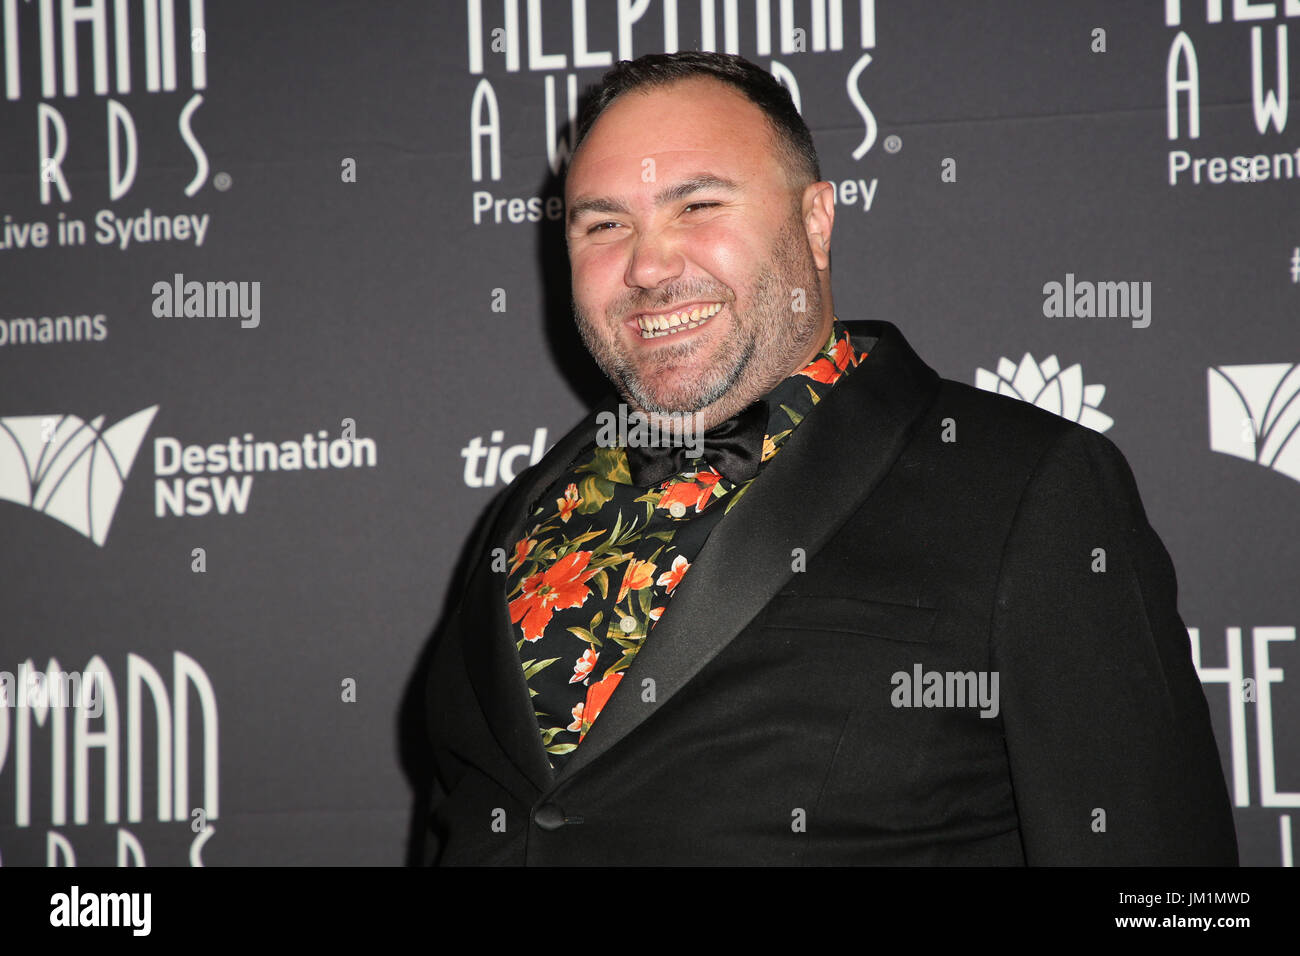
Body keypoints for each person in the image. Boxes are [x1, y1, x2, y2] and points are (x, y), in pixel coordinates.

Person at [424, 51, 1237, 865]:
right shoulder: (523, 512)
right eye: (604, 224)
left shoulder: (1028, 487)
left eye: (698, 204)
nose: (648, 265)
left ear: (816, 221)